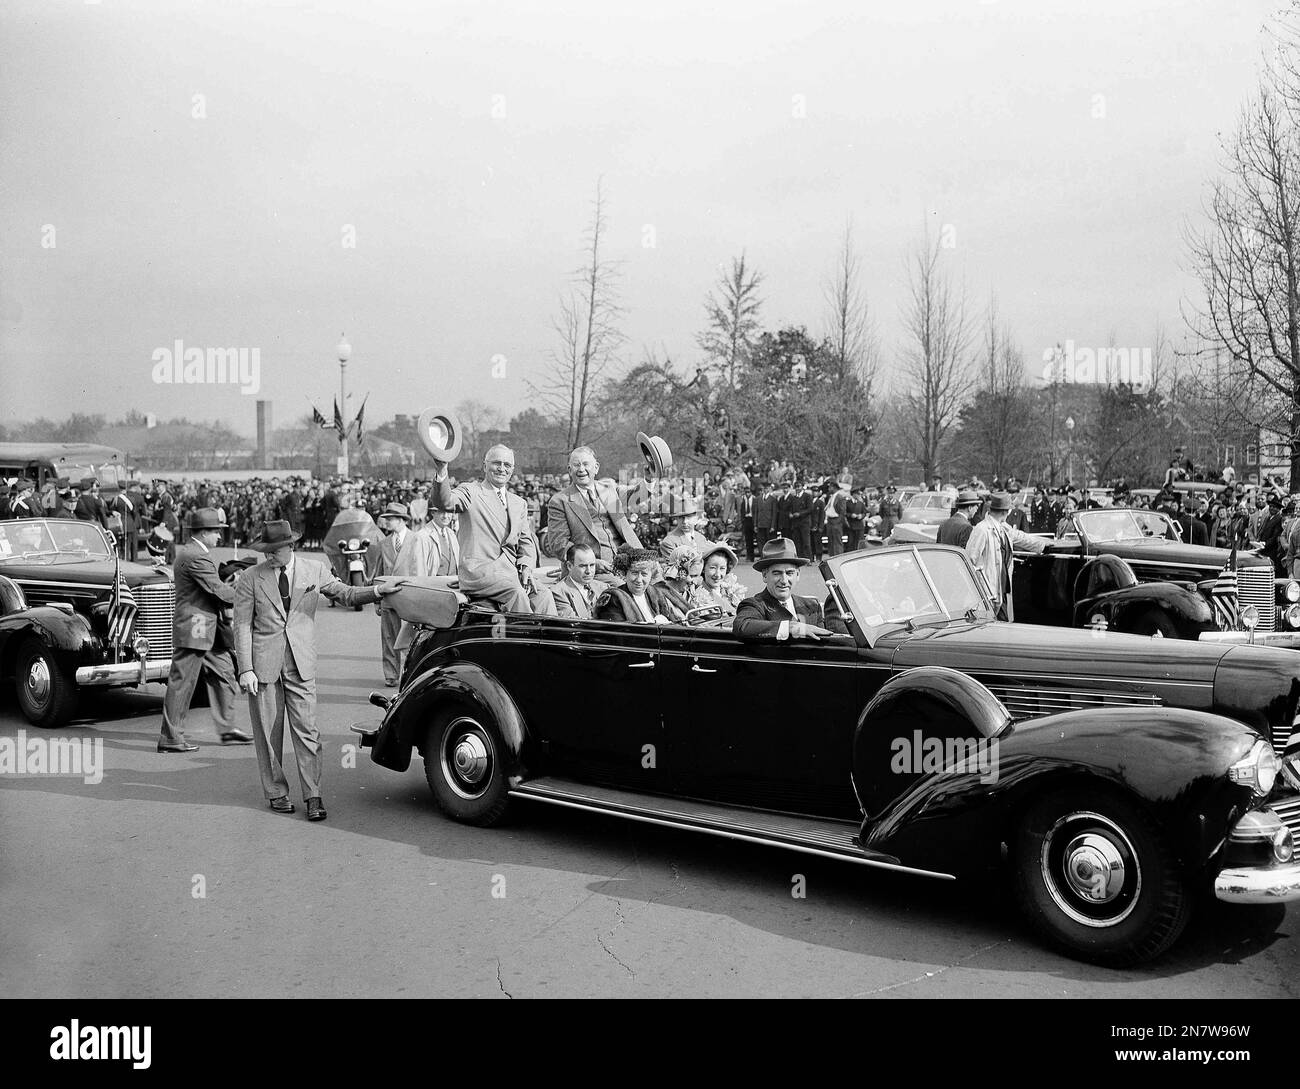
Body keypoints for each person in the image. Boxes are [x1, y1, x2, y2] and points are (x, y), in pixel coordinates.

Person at [235, 520, 401, 820]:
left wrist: (378, 591)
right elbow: (242, 625)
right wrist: (245, 668)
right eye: (266, 551)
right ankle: (277, 792)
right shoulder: (250, 578)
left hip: (302, 664)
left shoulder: (314, 570)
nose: (269, 556)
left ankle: (313, 796)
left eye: (274, 551)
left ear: (290, 546)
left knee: (308, 731)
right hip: (263, 667)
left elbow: (346, 593)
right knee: (268, 734)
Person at [158, 508, 253, 752]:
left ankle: (227, 728)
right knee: (183, 684)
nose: (219, 537)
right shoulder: (196, 556)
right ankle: (171, 738)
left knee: (225, 674)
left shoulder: (194, 552)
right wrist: (250, 596)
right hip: (195, 629)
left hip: (205, 630)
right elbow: (217, 590)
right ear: (204, 532)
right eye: (216, 532)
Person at [431, 444, 556, 615]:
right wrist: (442, 470)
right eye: (497, 463)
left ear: (512, 469)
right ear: (485, 466)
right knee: (516, 594)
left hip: (511, 572)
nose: (502, 469)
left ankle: (548, 641)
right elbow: (444, 502)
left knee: (543, 595)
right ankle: (524, 639)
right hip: (480, 573)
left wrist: (526, 567)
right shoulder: (471, 491)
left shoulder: (519, 503)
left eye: (507, 465)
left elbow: (526, 542)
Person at [543, 446, 641, 582]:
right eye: (576, 465)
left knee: (658, 581)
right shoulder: (560, 501)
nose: (581, 469)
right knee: (622, 589)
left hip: (629, 561)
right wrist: (592, 562)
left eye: (585, 464)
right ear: (570, 470)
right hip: (592, 571)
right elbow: (559, 544)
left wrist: (650, 479)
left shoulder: (609, 488)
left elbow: (636, 496)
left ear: (596, 467)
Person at [734, 538, 844, 642]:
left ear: (797, 575)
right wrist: (791, 627)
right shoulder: (754, 604)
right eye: (777, 573)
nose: (784, 580)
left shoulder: (812, 606)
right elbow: (742, 626)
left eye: (789, 573)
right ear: (764, 576)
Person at [965, 493, 1047, 621]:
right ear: (1006, 512)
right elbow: (970, 561)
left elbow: (1020, 537)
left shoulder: (1002, 527)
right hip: (987, 592)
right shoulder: (982, 529)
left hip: (1000, 590)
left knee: (1002, 625)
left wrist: (1043, 545)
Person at [372, 501, 412, 687]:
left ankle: (411, 672)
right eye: (386, 519)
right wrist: (376, 601)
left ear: (402, 520)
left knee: (411, 638)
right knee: (389, 637)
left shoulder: (417, 539)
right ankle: (391, 674)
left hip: (410, 596)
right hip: (388, 597)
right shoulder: (384, 543)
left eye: (391, 519)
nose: (387, 522)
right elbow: (378, 572)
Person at [594, 548, 687, 623]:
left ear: (651, 575)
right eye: (634, 573)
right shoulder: (614, 598)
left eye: (644, 574)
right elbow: (618, 633)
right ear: (625, 574)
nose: (639, 580)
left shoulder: (656, 594)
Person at [690, 542, 744, 617]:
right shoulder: (696, 596)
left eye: (722, 568)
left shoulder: (733, 592)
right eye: (712, 568)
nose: (717, 574)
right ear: (703, 568)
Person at [552, 543, 602, 619]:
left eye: (592, 565)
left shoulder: (603, 587)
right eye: (583, 566)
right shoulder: (558, 592)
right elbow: (572, 624)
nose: (588, 571)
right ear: (569, 566)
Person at [736, 484, 757, 562]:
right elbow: (742, 511)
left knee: (756, 538)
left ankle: (755, 555)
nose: (747, 494)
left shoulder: (755, 500)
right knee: (748, 539)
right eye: (746, 492)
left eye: (749, 492)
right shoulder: (743, 500)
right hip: (746, 520)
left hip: (753, 520)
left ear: (751, 492)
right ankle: (750, 556)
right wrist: (742, 520)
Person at [753, 483, 776, 548]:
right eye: (764, 488)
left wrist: (772, 526)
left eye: (767, 488)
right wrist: (755, 525)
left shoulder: (773, 499)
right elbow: (756, 513)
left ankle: (768, 557)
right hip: (760, 524)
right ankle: (762, 556)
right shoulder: (758, 499)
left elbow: (774, 514)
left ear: (769, 489)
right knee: (760, 542)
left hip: (768, 524)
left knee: (769, 542)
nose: (765, 490)